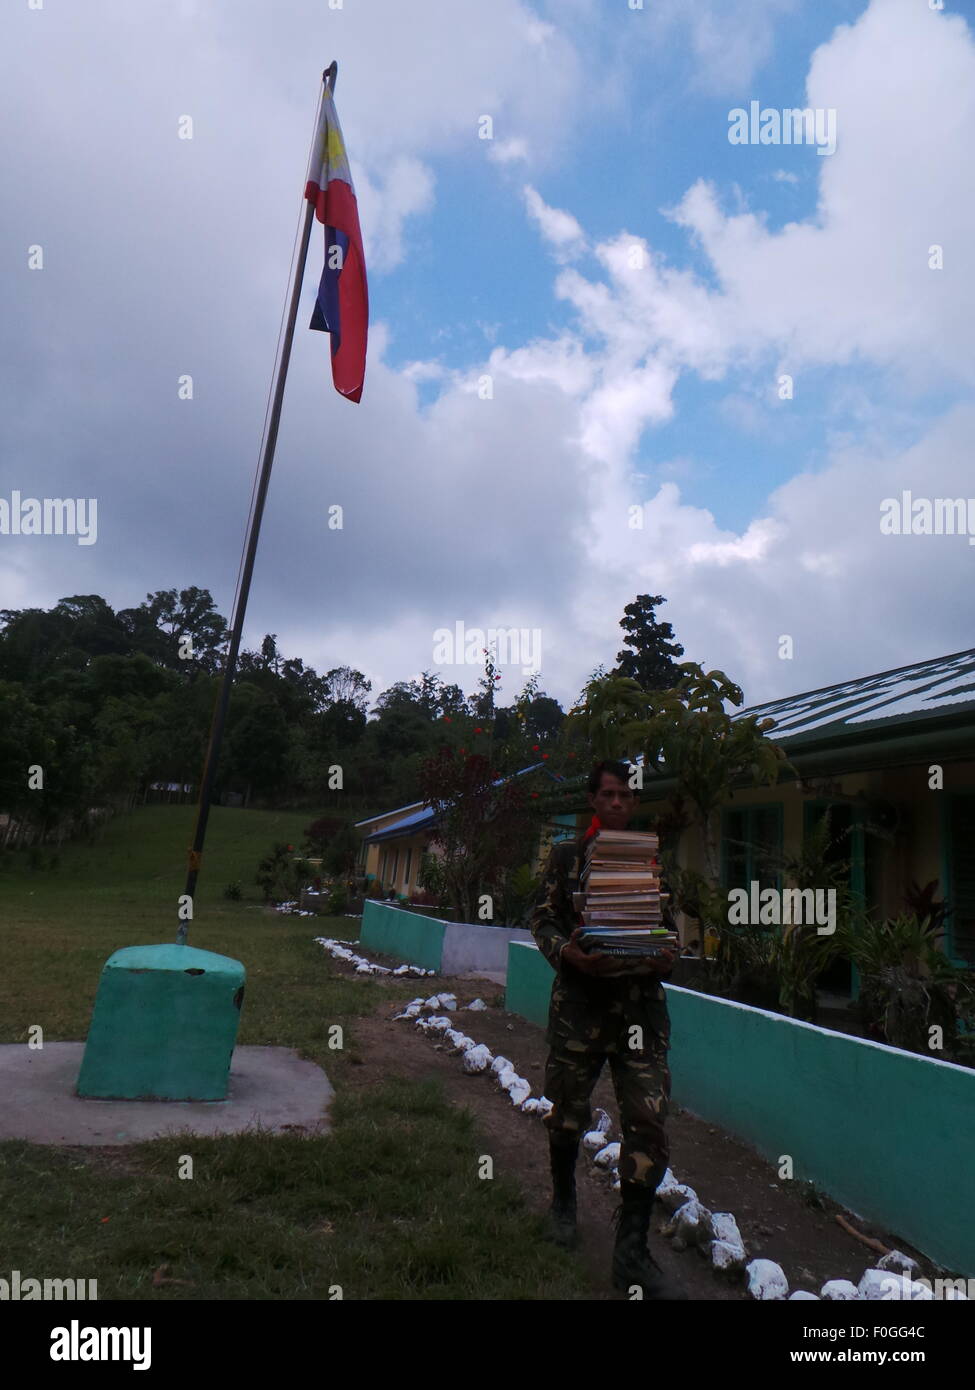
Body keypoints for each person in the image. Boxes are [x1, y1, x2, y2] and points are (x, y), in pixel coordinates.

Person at [530, 759, 687, 1300]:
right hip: (580, 1007)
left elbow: (670, 927)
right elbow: (543, 918)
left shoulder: (652, 861)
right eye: (609, 794)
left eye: (626, 796)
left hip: (641, 1013)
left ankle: (632, 1254)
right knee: (567, 1113)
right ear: (593, 800)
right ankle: (563, 1205)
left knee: (648, 1122)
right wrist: (566, 952)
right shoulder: (569, 857)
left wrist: (670, 954)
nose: (618, 803)